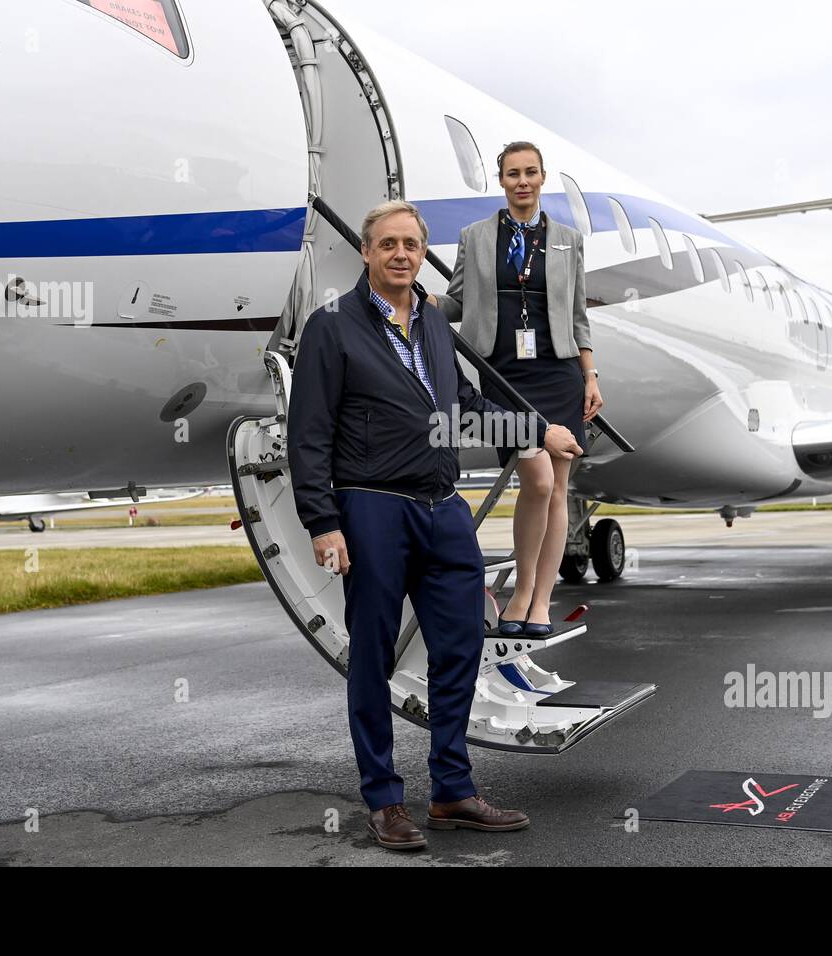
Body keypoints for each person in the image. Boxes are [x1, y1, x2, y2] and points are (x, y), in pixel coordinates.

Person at [288, 200, 582, 851]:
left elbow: (466, 405)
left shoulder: (434, 325)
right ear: (366, 252)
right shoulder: (331, 327)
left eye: (411, 244)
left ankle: (451, 791)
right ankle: (384, 801)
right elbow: (306, 433)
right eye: (387, 243)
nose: (400, 254)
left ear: (423, 252)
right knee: (372, 654)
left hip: (442, 509)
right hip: (371, 507)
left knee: (459, 649)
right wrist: (322, 521)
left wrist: (539, 431)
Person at [432, 142, 603, 637]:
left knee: (559, 487)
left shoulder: (569, 239)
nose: (522, 181)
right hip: (505, 373)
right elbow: (460, 300)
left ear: (543, 177)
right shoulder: (476, 236)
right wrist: (419, 302)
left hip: (559, 371)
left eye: (530, 173)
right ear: (501, 181)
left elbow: (577, 316)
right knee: (539, 481)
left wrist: (590, 376)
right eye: (513, 174)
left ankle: (541, 602)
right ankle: (522, 590)